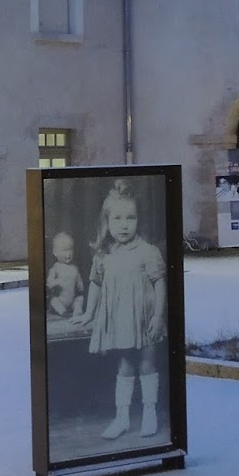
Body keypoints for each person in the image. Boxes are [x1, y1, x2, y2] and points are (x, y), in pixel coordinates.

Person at [75, 178, 167, 439]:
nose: (124, 225)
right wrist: (88, 313)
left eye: (130, 218)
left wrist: (158, 316)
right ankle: (122, 417)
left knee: (147, 364)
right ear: (106, 222)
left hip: (145, 317)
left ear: (139, 220)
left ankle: (149, 414)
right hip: (120, 319)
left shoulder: (147, 252)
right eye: (117, 219)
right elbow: (95, 283)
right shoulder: (104, 254)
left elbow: (159, 283)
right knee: (125, 365)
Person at [45, 230, 84, 318]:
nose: (69, 253)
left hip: (71, 301)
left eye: (71, 249)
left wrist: (80, 285)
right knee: (53, 301)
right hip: (60, 300)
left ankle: (77, 311)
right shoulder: (56, 268)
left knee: (80, 299)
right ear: (55, 252)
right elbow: (49, 284)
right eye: (65, 250)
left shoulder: (74, 268)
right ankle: (63, 312)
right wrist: (56, 282)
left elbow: (79, 282)